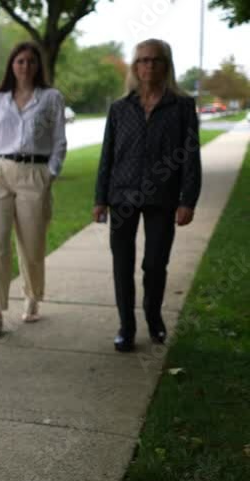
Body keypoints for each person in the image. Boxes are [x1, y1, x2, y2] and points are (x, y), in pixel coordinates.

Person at [94, 38, 200, 352]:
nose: (148, 65)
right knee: (122, 265)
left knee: (154, 265)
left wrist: (188, 200)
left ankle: (153, 317)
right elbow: (107, 155)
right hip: (122, 196)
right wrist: (100, 199)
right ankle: (126, 327)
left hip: (162, 197)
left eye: (155, 60)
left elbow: (190, 156)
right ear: (135, 67)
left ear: (166, 65)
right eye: (142, 60)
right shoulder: (120, 108)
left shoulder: (182, 106)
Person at [0, 42, 67, 339]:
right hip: (0, 173)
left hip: (35, 172)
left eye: (31, 61)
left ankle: (31, 296)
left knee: (32, 244)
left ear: (38, 66)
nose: (25, 66)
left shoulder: (51, 98)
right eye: (20, 61)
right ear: (11, 65)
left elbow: (59, 140)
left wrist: (50, 173)